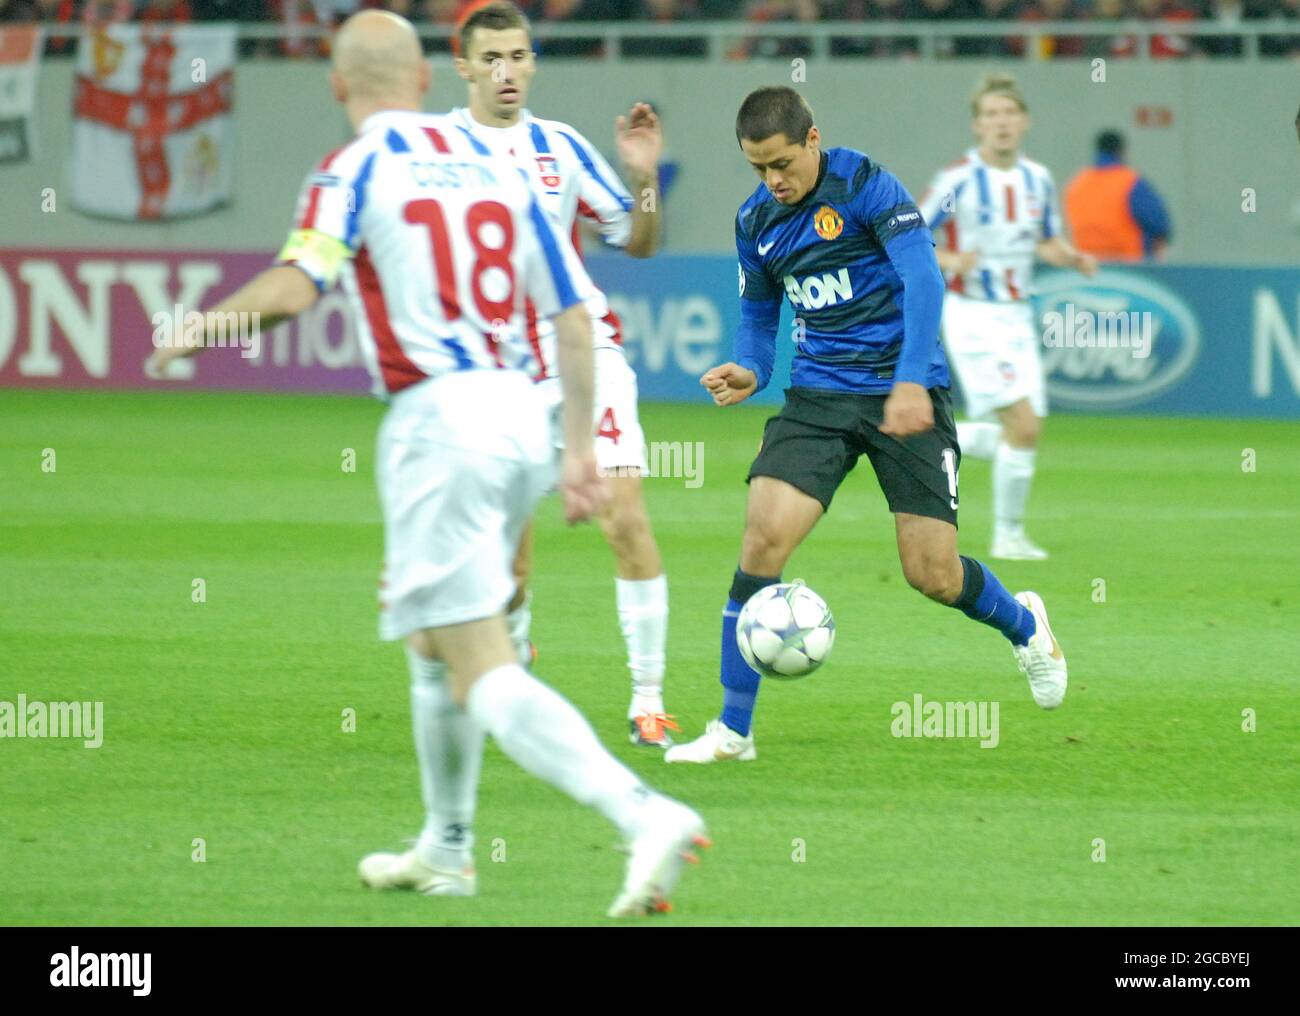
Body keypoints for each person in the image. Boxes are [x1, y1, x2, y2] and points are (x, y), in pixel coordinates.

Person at [145, 9, 706, 918]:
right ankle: (446, 848)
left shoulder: (356, 167)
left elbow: (296, 284)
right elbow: (571, 310)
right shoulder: (503, 167)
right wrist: (570, 454)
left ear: (337, 89)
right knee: (433, 642)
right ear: (424, 80)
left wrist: (195, 330)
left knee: (479, 663)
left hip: (441, 425)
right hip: (522, 411)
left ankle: (641, 813)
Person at [665, 86, 1067, 766]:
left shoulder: (865, 185)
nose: (774, 180)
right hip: (819, 397)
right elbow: (762, 319)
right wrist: (749, 370)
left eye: (784, 163)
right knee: (761, 542)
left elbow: (924, 280)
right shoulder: (755, 220)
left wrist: (911, 379)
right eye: (758, 168)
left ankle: (1026, 625)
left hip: (903, 391)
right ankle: (733, 732)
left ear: (813, 140)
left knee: (933, 574)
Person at [447, 1, 679, 748]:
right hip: (495, 374)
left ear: (533, 62)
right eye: (491, 59)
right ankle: (514, 649)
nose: (506, 71)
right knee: (504, 560)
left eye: (517, 56)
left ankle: (649, 699)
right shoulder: (438, 151)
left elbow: (637, 240)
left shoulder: (561, 146)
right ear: (464, 67)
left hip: (586, 355)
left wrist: (641, 176)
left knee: (625, 514)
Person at [919, 73, 1097, 562]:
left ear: (1024, 122)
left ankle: (933, 435)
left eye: (1009, 114)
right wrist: (952, 261)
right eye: (991, 115)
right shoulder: (958, 179)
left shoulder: (1037, 178)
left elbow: (1046, 240)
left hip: (1018, 315)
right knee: (1023, 426)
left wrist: (1071, 257)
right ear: (978, 126)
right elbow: (910, 232)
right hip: (973, 314)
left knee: (1026, 429)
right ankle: (1006, 536)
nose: (1001, 123)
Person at [1064, 129, 1172, 263]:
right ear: (1122, 152)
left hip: (1087, 265)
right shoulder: (1130, 182)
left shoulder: (1077, 183)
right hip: (1130, 265)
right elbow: (1159, 224)